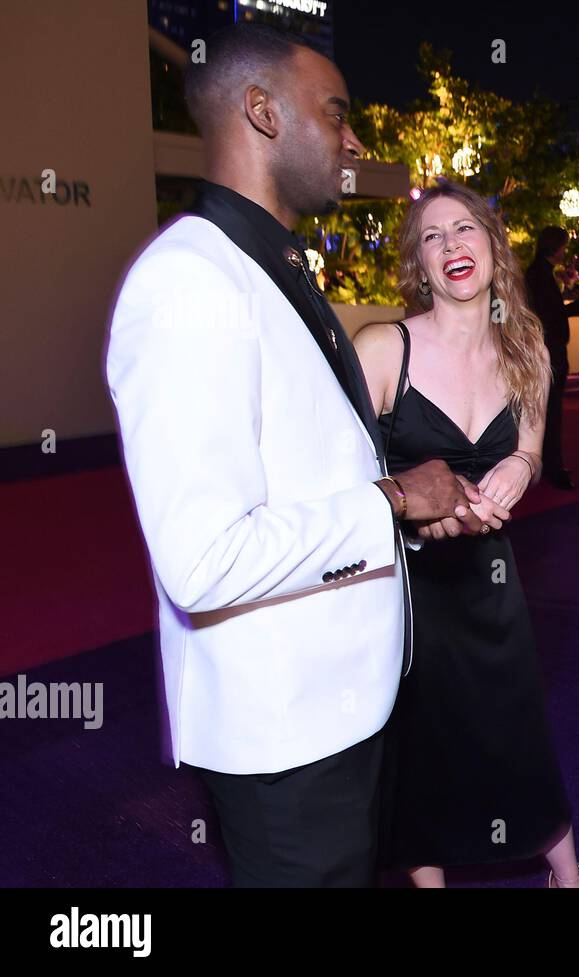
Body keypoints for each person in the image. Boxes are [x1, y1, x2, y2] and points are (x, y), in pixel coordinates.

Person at [105, 23, 483, 887]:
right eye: (338, 113)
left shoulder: (275, 264)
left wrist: (411, 519)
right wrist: (391, 501)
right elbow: (203, 561)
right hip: (285, 740)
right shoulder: (190, 282)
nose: (354, 141)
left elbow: (312, 468)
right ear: (262, 112)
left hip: (346, 709)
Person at [353, 179, 579, 888]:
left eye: (465, 230)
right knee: (419, 737)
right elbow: (337, 479)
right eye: (432, 236)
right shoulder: (384, 348)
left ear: (492, 246)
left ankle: (566, 872)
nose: (451, 244)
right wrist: (411, 508)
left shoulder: (529, 349)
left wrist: (520, 458)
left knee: (515, 725)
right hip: (405, 583)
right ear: (418, 264)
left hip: (491, 578)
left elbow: (536, 452)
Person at [524, 226, 576, 489]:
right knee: (550, 410)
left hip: (545, 350)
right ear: (555, 247)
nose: (564, 252)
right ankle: (549, 465)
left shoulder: (537, 274)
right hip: (548, 352)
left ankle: (543, 462)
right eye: (563, 247)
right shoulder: (540, 276)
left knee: (545, 409)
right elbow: (547, 317)